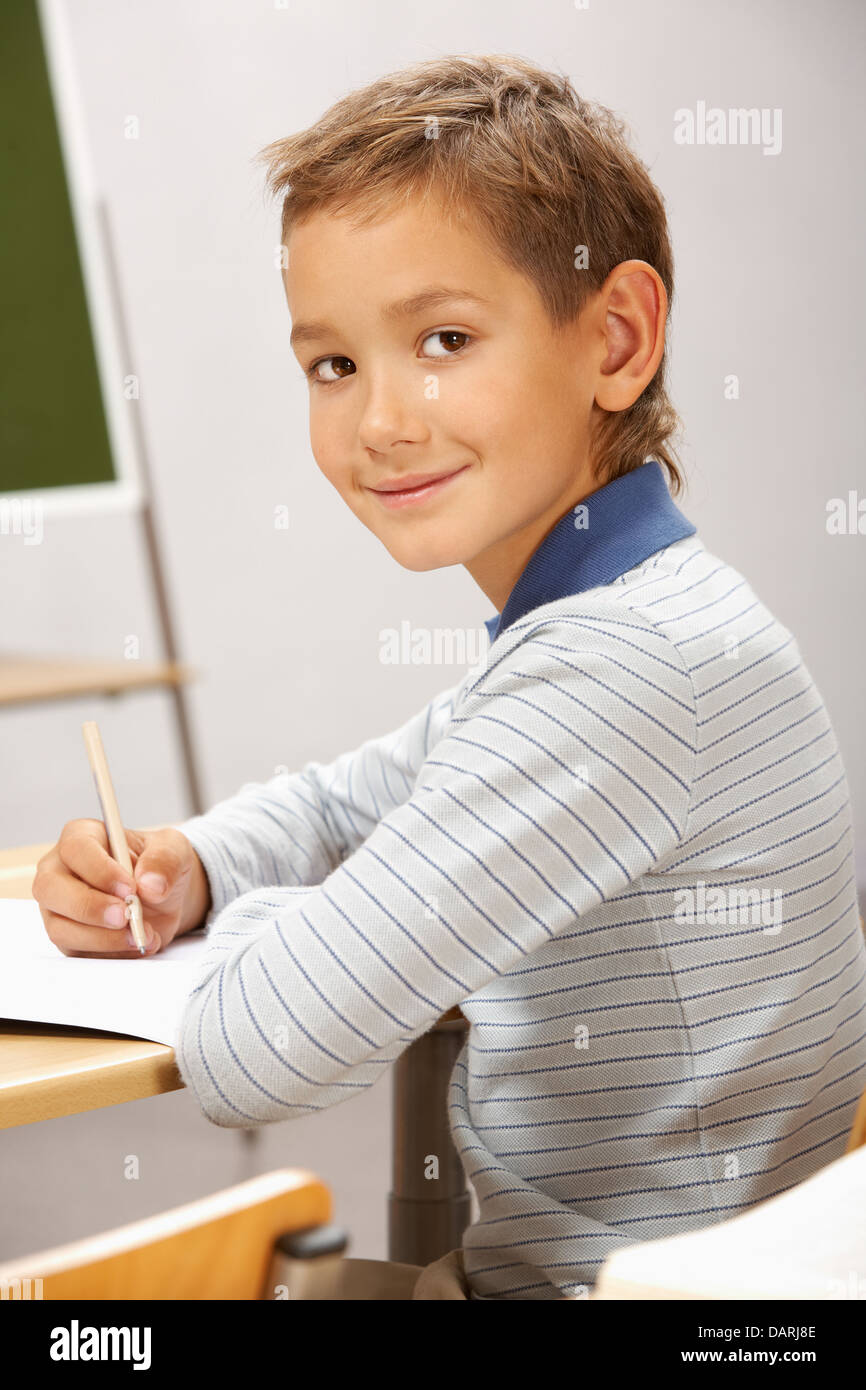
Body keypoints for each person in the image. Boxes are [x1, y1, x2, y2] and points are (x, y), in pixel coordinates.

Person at [33, 54, 866, 1301]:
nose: (378, 420)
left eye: (442, 339)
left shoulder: (619, 673)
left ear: (616, 339)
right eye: (332, 364)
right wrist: (185, 866)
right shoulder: (625, 618)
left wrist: (273, 927)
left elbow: (259, 1051)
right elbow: (349, 803)